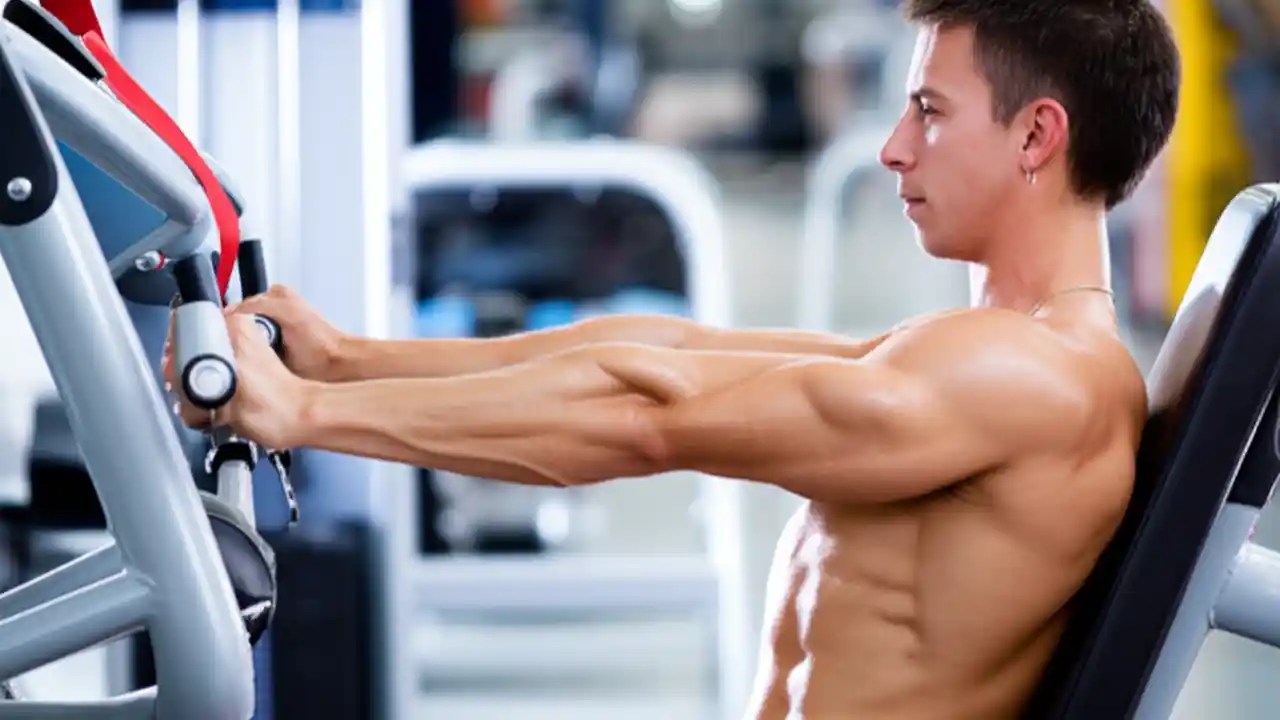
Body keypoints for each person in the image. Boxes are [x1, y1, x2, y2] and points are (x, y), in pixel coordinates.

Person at [166, 1, 1181, 717]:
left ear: (1035, 136)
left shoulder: (1032, 382)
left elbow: (647, 419)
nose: (892, 148)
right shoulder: (984, 355)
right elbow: (663, 349)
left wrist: (302, 415)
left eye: (929, 111)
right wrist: (346, 362)